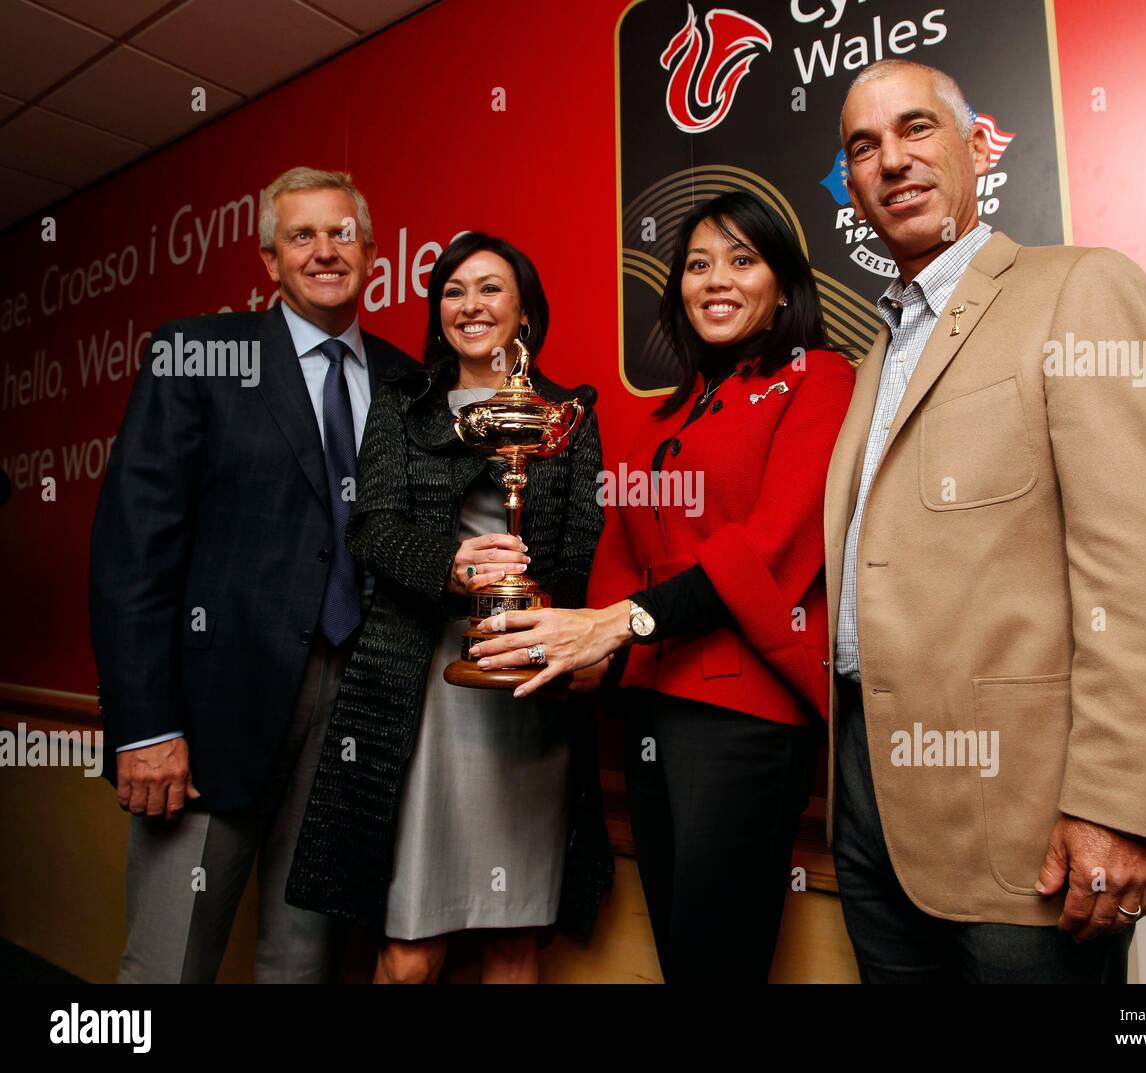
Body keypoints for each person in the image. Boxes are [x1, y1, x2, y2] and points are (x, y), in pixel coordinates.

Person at [824, 59, 1146, 983]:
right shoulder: (876, 348)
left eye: (917, 129)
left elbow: (1144, 562)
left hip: (1028, 818)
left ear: (975, 145)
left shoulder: (1080, 290)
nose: (892, 161)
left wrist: (1119, 802)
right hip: (870, 805)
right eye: (863, 147)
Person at [467, 192, 855, 982]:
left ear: (783, 286)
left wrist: (617, 624)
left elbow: (773, 547)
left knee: (717, 963)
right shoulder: (660, 415)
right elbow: (619, 562)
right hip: (653, 712)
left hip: (746, 714)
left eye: (743, 260)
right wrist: (554, 646)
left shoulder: (817, 378)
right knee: (682, 959)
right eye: (698, 263)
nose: (716, 280)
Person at [89, 167, 418, 982]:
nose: (324, 250)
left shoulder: (407, 380)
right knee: (171, 961)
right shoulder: (199, 352)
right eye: (301, 235)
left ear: (372, 253)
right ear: (270, 259)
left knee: (302, 959)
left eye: (341, 233)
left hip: (357, 704)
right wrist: (145, 725)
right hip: (206, 722)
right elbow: (134, 548)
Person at [285, 232, 613, 984]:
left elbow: (579, 548)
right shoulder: (404, 407)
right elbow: (371, 526)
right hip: (421, 689)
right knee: (407, 955)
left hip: (528, 696)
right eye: (455, 291)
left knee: (513, 944)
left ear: (523, 309)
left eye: (490, 288)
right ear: (439, 313)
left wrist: (540, 625)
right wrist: (452, 566)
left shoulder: (567, 416)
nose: (471, 305)